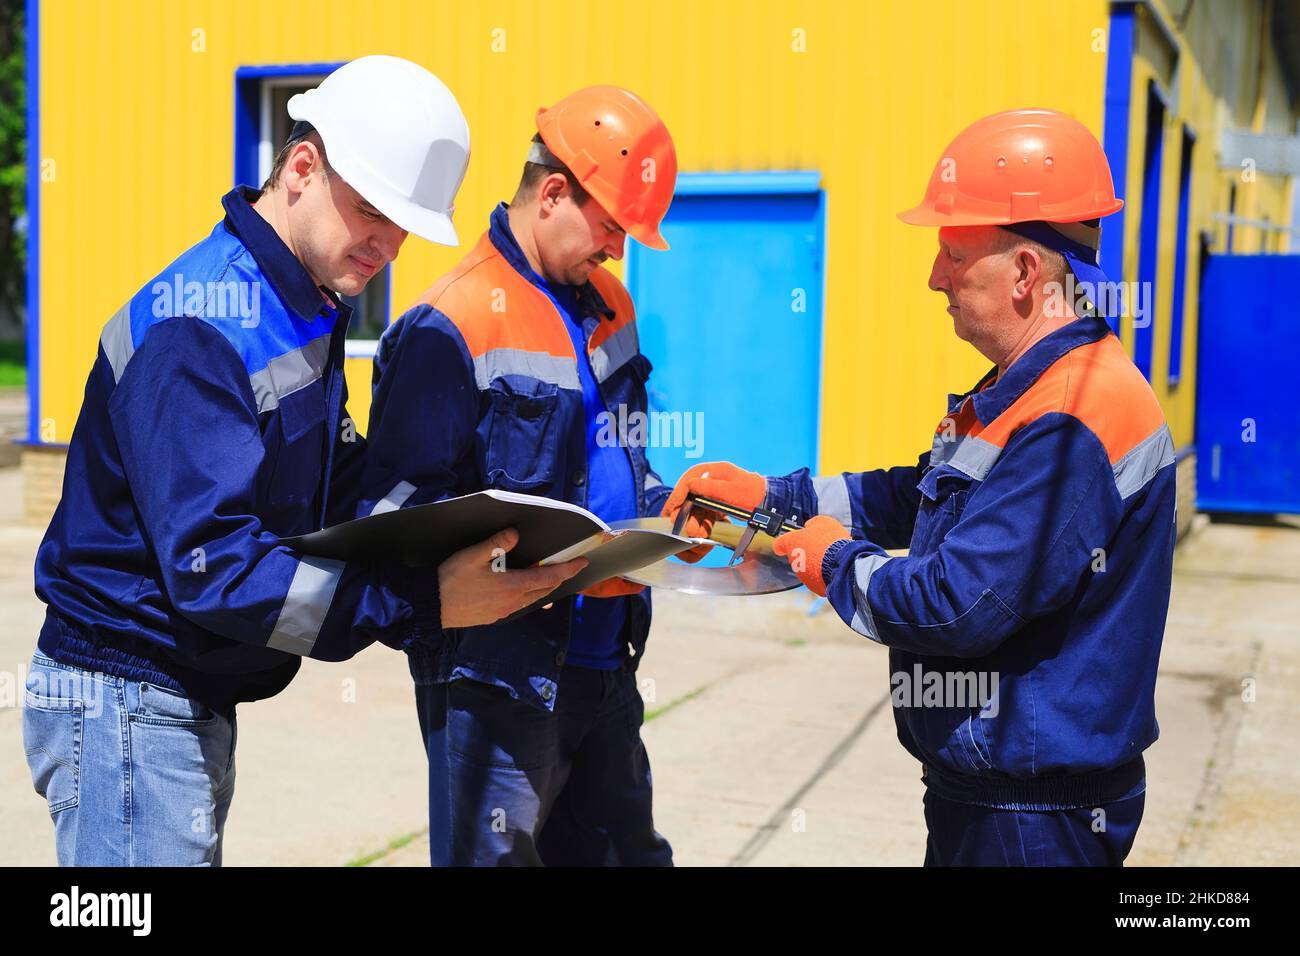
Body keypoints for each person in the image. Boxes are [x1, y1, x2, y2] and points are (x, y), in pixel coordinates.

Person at [23, 55, 585, 867]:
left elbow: (327, 482)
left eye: (403, 226)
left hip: (173, 694)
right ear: (300, 166)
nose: (386, 244)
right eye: (370, 211)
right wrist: (420, 601)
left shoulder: (302, 305)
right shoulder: (201, 326)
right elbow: (217, 570)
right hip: (124, 701)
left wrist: (463, 516)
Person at [663, 109, 1177, 866]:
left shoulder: (1073, 420)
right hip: (999, 799)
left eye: (952, 253)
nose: (934, 277)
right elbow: (918, 495)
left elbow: (955, 606)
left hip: (1031, 819)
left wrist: (829, 560)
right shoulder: (1028, 390)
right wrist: (773, 496)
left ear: (1027, 273)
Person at [361, 85, 703, 866]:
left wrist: (659, 520)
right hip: (498, 679)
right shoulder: (451, 321)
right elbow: (400, 515)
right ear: (553, 192)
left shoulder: (611, 304)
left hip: (605, 663)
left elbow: (620, 453)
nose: (617, 251)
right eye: (613, 227)